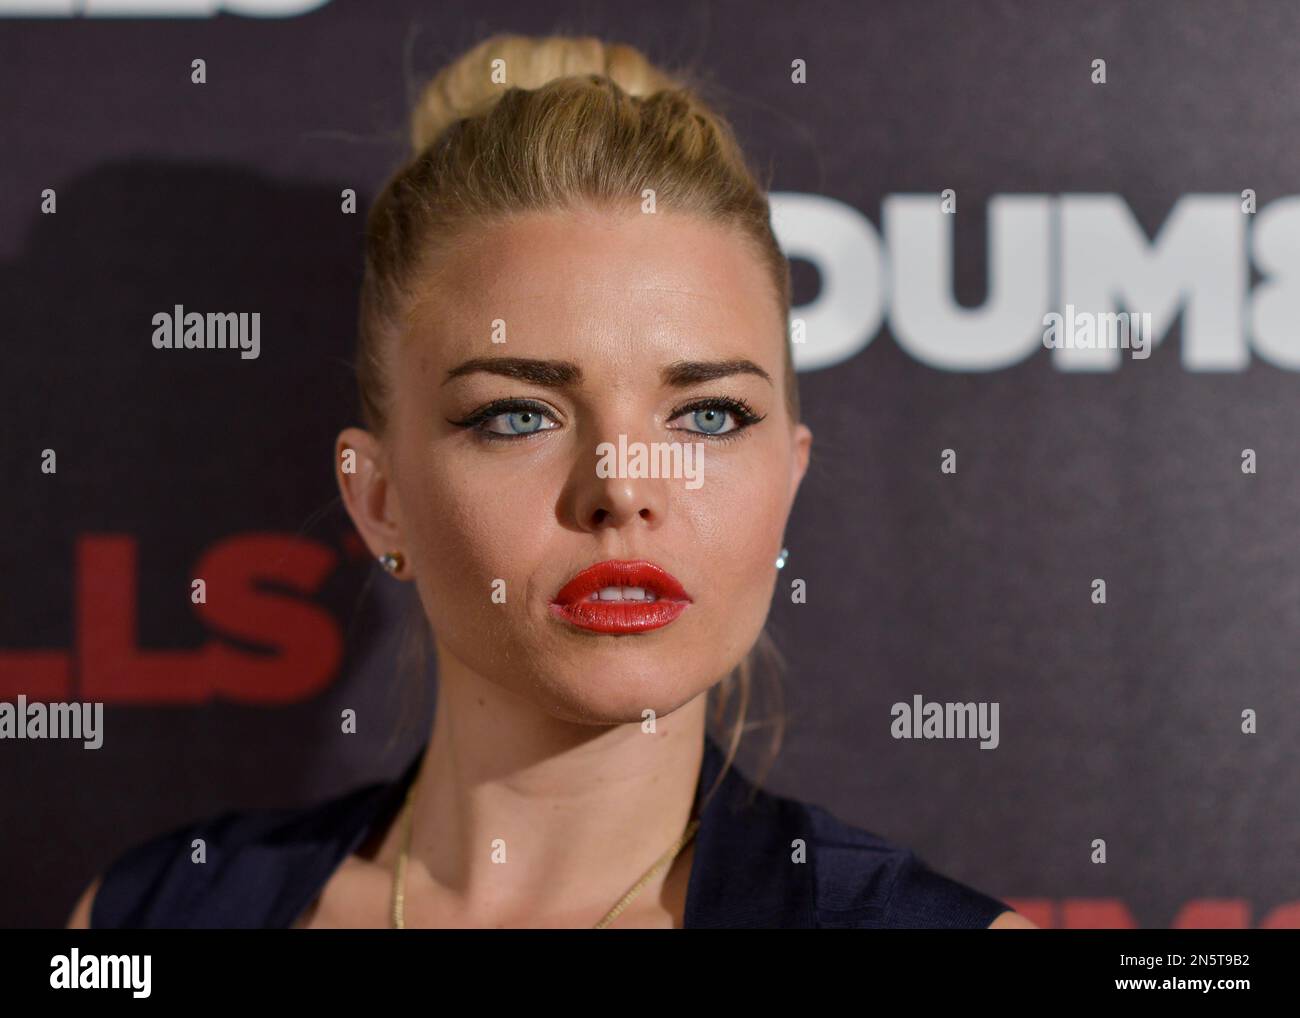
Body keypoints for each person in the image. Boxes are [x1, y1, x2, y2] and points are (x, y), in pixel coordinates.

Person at [67, 32, 1035, 930]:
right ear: (378, 499)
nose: (622, 486)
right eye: (517, 415)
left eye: (707, 416)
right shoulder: (149, 913)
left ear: (788, 476)